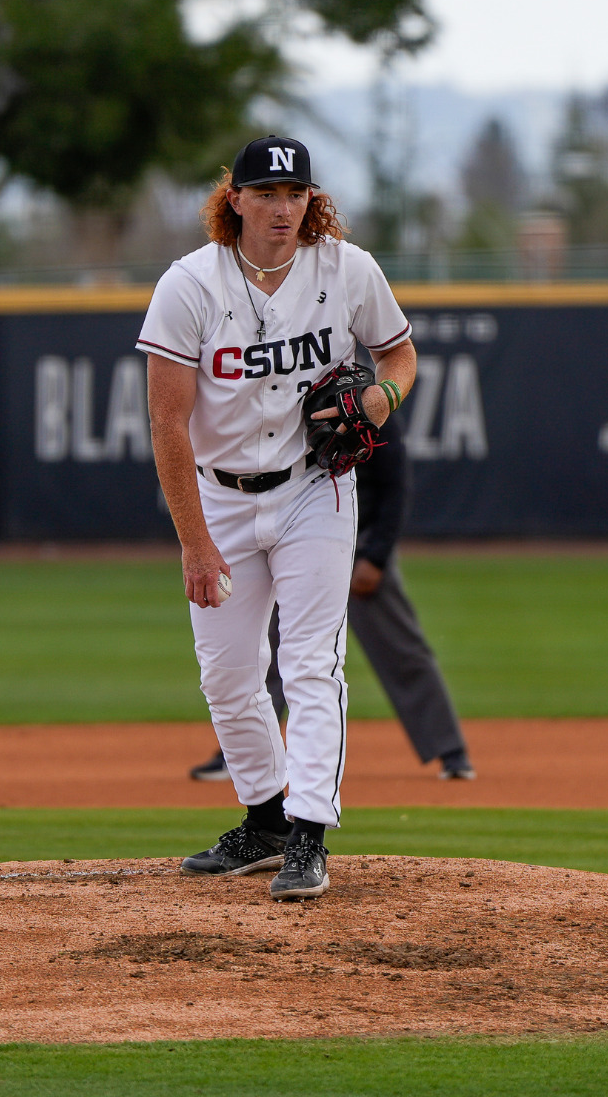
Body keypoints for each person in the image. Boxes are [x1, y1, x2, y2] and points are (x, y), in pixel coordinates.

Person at [140, 134, 416, 901]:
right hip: (220, 498)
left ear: (311, 199)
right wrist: (194, 542)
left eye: (295, 194)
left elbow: (399, 355)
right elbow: (167, 423)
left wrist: (379, 398)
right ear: (235, 199)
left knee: (309, 662)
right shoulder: (189, 285)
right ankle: (262, 819)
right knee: (227, 674)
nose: (282, 208)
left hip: (312, 486)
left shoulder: (346, 267)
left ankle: (308, 833)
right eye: (265, 193)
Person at [188, 413, 475, 782]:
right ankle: (241, 757)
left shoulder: (361, 397)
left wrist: (378, 556)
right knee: (271, 655)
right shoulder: (279, 404)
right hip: (289, 543)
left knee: (402, 651)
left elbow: (395, 484)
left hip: (360, 548)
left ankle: (451, 752)